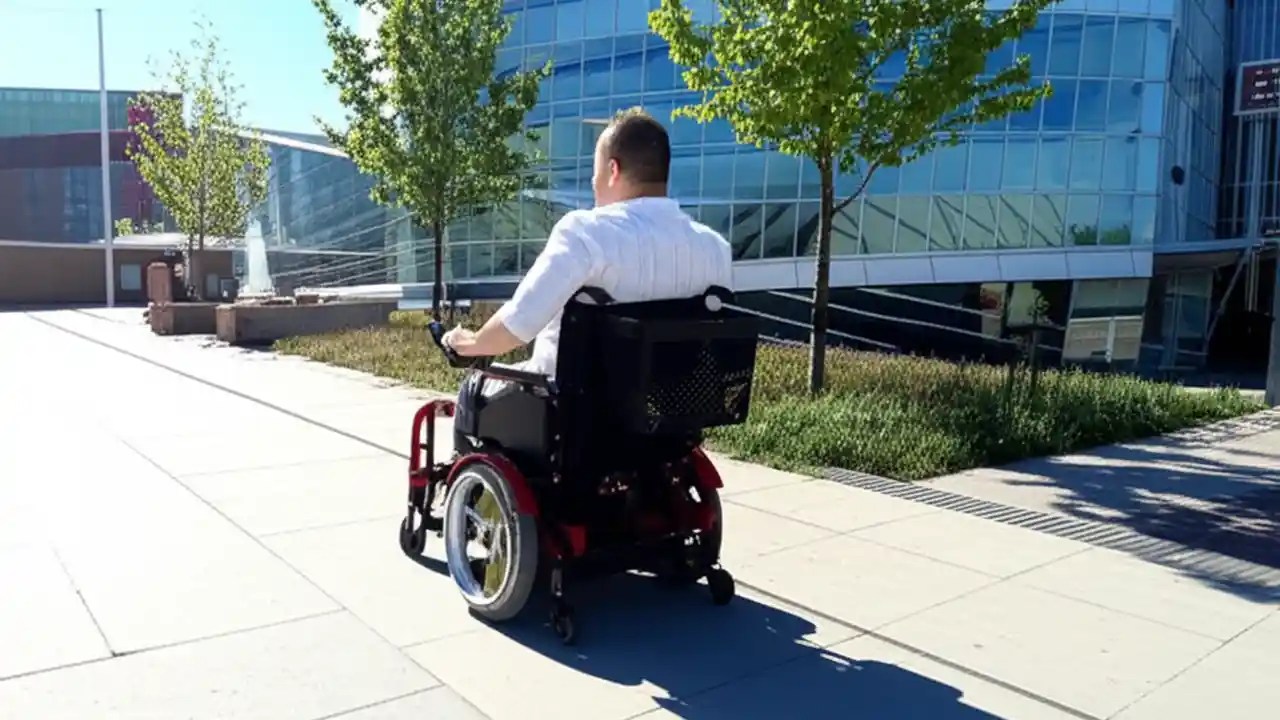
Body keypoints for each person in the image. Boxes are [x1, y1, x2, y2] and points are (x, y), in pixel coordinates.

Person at [442, 107, 733, 391]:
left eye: (595, 172)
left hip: (567, 416)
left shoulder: (586, 233)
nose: (593, 183)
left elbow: (517, 325)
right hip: (668, 420)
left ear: (612, 169)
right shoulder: (715, 249)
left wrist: (469, 343)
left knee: (473, 392)